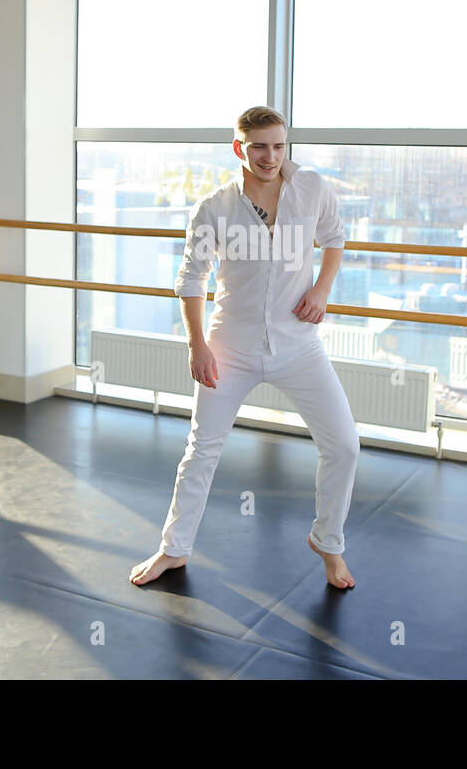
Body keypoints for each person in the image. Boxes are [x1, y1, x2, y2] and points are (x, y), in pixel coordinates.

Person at [129, 106, 361, 589]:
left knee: (344, 445)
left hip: (299, 345)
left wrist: (321, 290)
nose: (270, 156)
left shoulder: (313, 188)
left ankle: (328, 542)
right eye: (258, 146)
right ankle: (173, 549)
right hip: (228, 348)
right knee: (202, 450)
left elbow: (335, 239)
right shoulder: (214, 207)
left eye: (278, 145)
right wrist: (197, 346)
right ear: (239, 148)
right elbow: (191, 280)